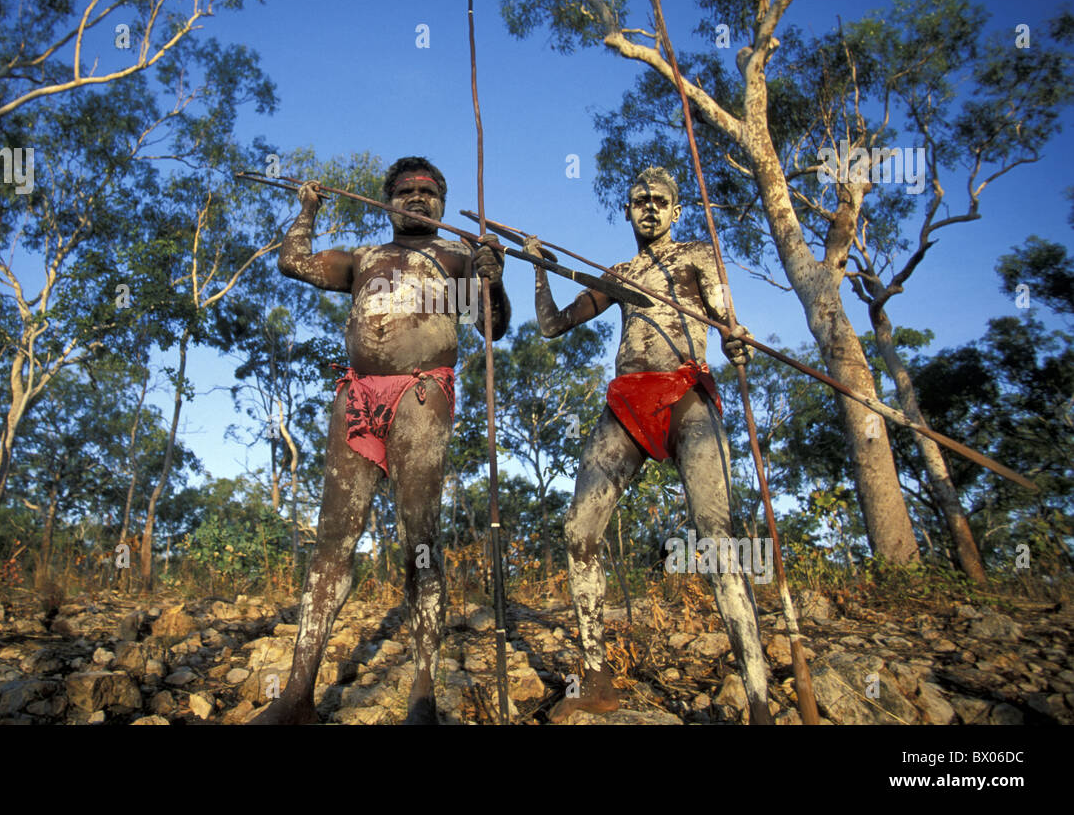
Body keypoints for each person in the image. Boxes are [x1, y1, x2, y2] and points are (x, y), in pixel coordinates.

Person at [251, 157, 510, 724]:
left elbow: (492, 325)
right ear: (388, 199)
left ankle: (422, 694)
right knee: (333, 541)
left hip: (423, 396)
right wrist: (307, 210)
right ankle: (296, 695)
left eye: (428, 192)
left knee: (420, 536)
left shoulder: (455, 258)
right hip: (357, 396)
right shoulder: (364, 258)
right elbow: (292, 263)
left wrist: (492, 275)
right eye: (405, 190)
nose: (417, 198)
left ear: (443, 203)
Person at [524, 166, 773, 725]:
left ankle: (758, 702)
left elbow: (727, 320)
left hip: (685, 394)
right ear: (628, 210)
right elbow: (551, 325)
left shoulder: (696, 254)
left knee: (718, 540)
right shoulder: (620, 273)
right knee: (578, 531)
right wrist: (540, 271)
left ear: (677, 210)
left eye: (661, 200)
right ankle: (596, 680)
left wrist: (737, 338)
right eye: (640, 200)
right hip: (628, 401)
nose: (651, 208)